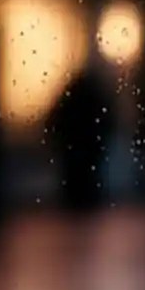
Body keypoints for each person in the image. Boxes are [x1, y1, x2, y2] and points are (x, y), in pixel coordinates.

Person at [47, 65, 114, 211]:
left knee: (75, 181)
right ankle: (85, 208)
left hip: (74, 148)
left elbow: (56, 119)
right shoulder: (94, 97)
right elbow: (106, 120)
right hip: (86, 148)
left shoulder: (71, 97)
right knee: (87, 181)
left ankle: (76, 208)